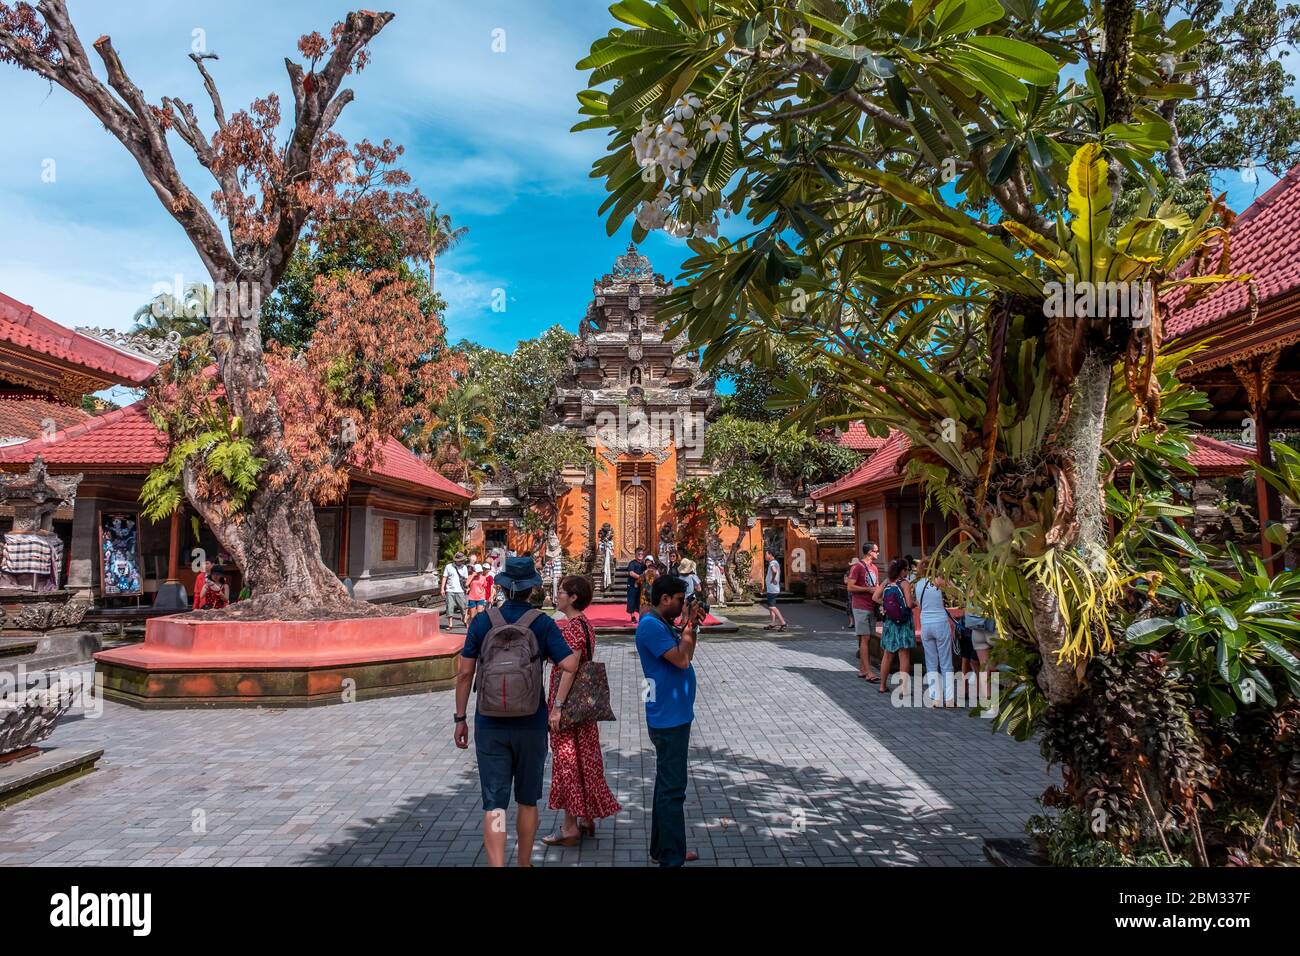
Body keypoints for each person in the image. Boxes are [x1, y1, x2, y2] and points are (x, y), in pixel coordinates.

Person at [454, 556, 578, 867]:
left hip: (489, 722)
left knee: (494, 805)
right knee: (527, 800)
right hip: (531, 722)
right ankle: (524, 862)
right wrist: (557, 704)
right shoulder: (542, 623)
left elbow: (465, 673)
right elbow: (569, 664)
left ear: (503, 586)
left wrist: (460, 718)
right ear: (532, 587)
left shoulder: (483, 621)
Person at [543, 575, 622, 846]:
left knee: (567, 762)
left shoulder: (575, 627)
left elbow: (570, 668)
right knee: (583, 759)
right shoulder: (583, 624)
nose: (558, 595)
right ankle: (585, 815)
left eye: (562, 591)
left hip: (570, 705)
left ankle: (569, 827)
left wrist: (557, 707)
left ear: (573, 597)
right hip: (583, 706)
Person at [636, 573, 704, 866]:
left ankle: (663, 849)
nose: (681, 605)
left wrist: (692, 625)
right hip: (668, 716)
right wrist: (688, 624)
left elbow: (687, 651)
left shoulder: (661, 623)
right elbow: (681, 659)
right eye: (679, 600)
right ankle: (671, 857)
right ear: (664, 599)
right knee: (673, 789)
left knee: (666, 784)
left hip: (673, 712)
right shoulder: (650, 626)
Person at [913, 562, 957, 707]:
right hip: (940, 623)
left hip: (926, 624)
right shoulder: (938, 581)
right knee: (946, 662)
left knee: (931, 663)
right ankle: (949, 699)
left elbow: (919, 605)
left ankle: (935, 698)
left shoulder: (918, 584)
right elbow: (955, 591)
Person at [873, 558, 915, 695]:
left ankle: (882, 685)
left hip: (889, 622)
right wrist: (916, 602)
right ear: (902, 571)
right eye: (906, 570)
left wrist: (886, 605)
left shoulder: (887, 582)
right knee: (904, 655)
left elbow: (875, 597)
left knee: (887, 655)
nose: (907, 572)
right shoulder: (905, 584)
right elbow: (909, 604)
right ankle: (903, 689)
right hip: (903, 622)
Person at [847, 542, 881, 682]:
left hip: (871, 605)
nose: (878, 553)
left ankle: (863, 669)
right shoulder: (857, 567)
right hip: (860, 606)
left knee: (865, 638)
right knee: (865, 638)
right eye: (876, 551)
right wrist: (867, 590)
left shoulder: (874, 568)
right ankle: (868, 672)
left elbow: (876, 585)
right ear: (869, 552)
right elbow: (850, 586)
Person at [442, 551, 468, 629]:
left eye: (462, 560)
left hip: (460, 590)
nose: (461, 561)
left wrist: (467, 587)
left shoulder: (464, 567)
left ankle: (464, 619)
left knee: (463, 607)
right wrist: (442, 588)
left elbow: (466, 579)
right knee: (449, 607)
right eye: (460, 560)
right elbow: (444, 577)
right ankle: (450, 624)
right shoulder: (449, 566)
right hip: (450, 590)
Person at [763, 549, 788, 632]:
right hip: (773, 588)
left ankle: (783, 623)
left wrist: (773, 579)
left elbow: (774, 571)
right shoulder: (775, 562)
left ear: (770, 555)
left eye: (766, 555)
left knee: (772, 607)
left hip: (773, 589)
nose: (765, 556)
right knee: (771, 606)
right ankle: (773, 623)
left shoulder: (772, 563)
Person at [626, 546, 647, 624]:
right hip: (632, 585)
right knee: (632, 600)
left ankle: (641, 616)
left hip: (641, 585)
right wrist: (641, 577)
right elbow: (631, 573)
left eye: (641, 554)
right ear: (635, 554)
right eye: (638, 554)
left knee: (640, 601)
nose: (640, 555)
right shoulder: (632, 563)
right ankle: (632, 616)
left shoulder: (644, 564)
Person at [843, 553, 861, 631]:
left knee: (858, 607)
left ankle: (857, 622)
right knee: (850, 607)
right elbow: (845, 581)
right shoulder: (848, 572)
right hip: (851, 591)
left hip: (858, 591)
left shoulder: (860, 571)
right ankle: (851, 622)